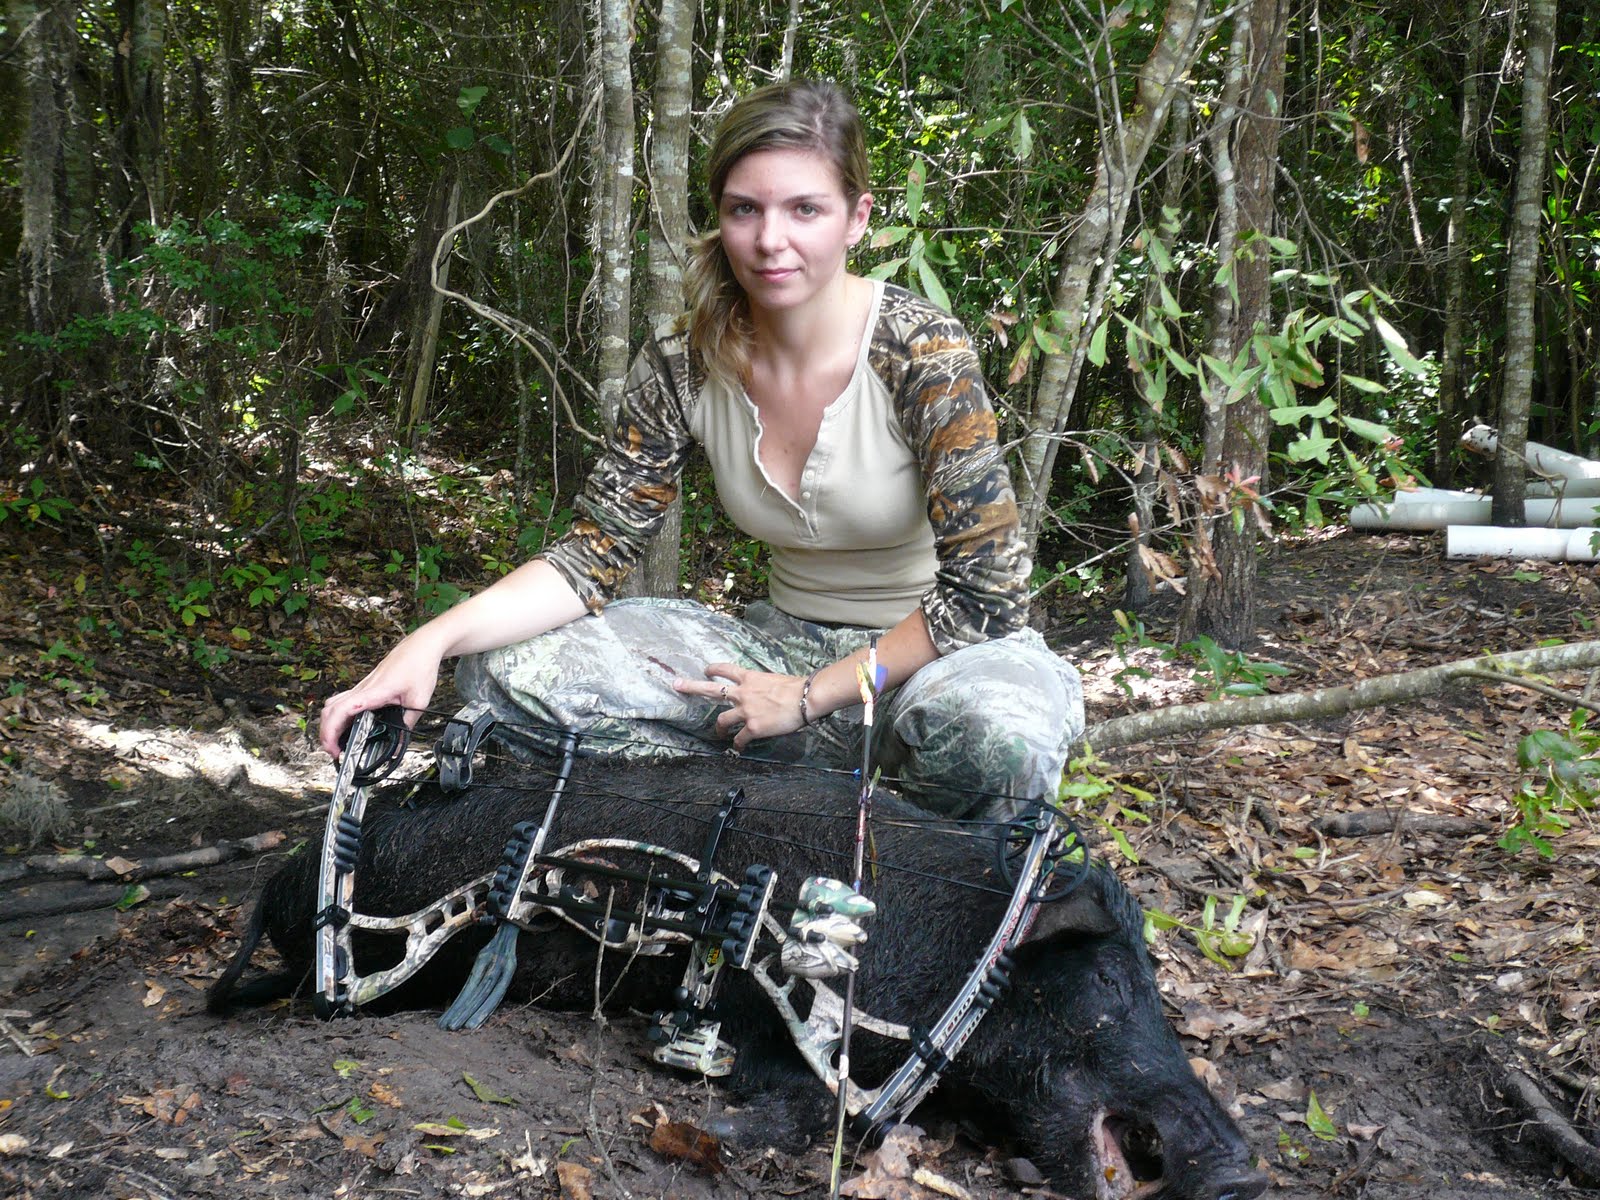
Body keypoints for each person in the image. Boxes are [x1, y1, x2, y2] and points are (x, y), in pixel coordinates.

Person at [319, 80, 1082, 820]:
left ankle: (913, 849)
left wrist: (811, 696)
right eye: (744, 210)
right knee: (511, 671)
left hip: (934, 662)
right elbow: (593, 553)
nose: (770, 240)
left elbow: (988, 593)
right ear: (720, 218)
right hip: (779, 646)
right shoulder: (685, 362)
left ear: (857, 219)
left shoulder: (920, 348)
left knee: (998, 741)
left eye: (804, 209)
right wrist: (429, 641)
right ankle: (741, 817)